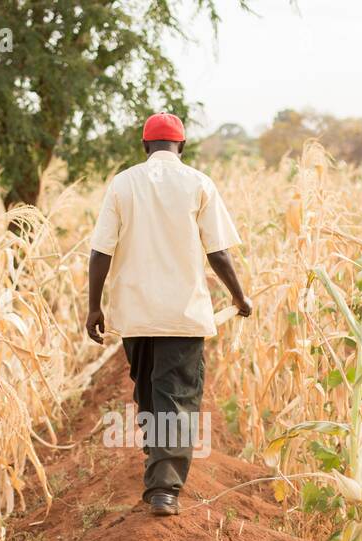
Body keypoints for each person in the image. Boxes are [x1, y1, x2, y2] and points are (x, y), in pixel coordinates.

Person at [85, 111, 252, 517]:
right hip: (183, 314)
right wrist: (240, 296)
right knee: (175, 398)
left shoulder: (123, 183)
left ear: (145, 146)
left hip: (135, 315)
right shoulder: (198, 184)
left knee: (148, 394)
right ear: (182, 146)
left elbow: (100, 251)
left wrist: (94, 306)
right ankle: (164, 489)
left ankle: (158, 475)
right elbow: (218, 252)